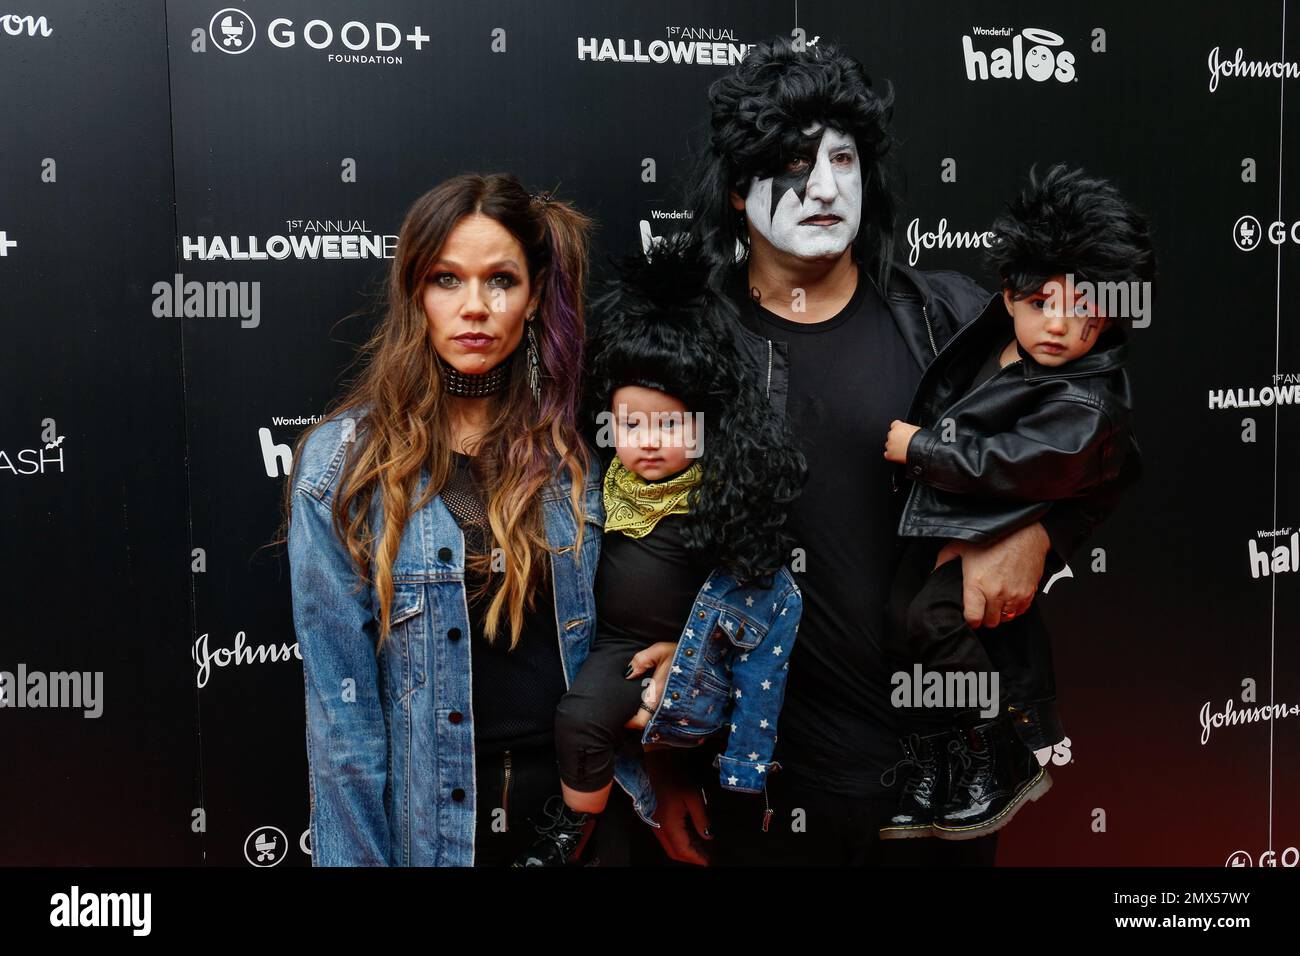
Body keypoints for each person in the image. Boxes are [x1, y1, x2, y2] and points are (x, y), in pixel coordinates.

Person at [625, 37, 1140, 866]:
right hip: (767, 774)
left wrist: (1042, 538)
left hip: (938, 786)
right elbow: (631, 529)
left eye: (845, 159)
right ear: (734, 189)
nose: (826, 186)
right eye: (794, 163)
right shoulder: (686, 346)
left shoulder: (954, 318)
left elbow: (1096, 436)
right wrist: (670, 758)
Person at [282, 172, 660, 866]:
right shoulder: (344, 468)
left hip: (587, 812)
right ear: (415, 294)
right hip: (436, 829)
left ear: (535, 294)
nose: (476, 307)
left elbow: (658, 599)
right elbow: (343, 727)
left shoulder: (586, 450)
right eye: (447, 279)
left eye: (502, 281)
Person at [880, 163, 1152, 841]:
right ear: (1009, 297)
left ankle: (995, 749)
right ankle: (932, 764)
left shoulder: (1087, 398)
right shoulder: (984, 335)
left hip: (978, 528)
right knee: (903, 622)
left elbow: (1023, 463)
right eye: (1040, 304)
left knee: (935, 623)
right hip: (944, 525)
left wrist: (923, 452)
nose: (1058, 325)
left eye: (1082, 309)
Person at [514, 236, 806, 865]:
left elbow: (762, 622)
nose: (647, 442)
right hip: (616, 649)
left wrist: (701, 662)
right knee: (578, 720)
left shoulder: (723, 496)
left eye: (670, 425)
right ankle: (573, 825)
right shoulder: (593, 488)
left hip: (696, 655)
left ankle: (732, 796)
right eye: (630, 425)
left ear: (704, 425)